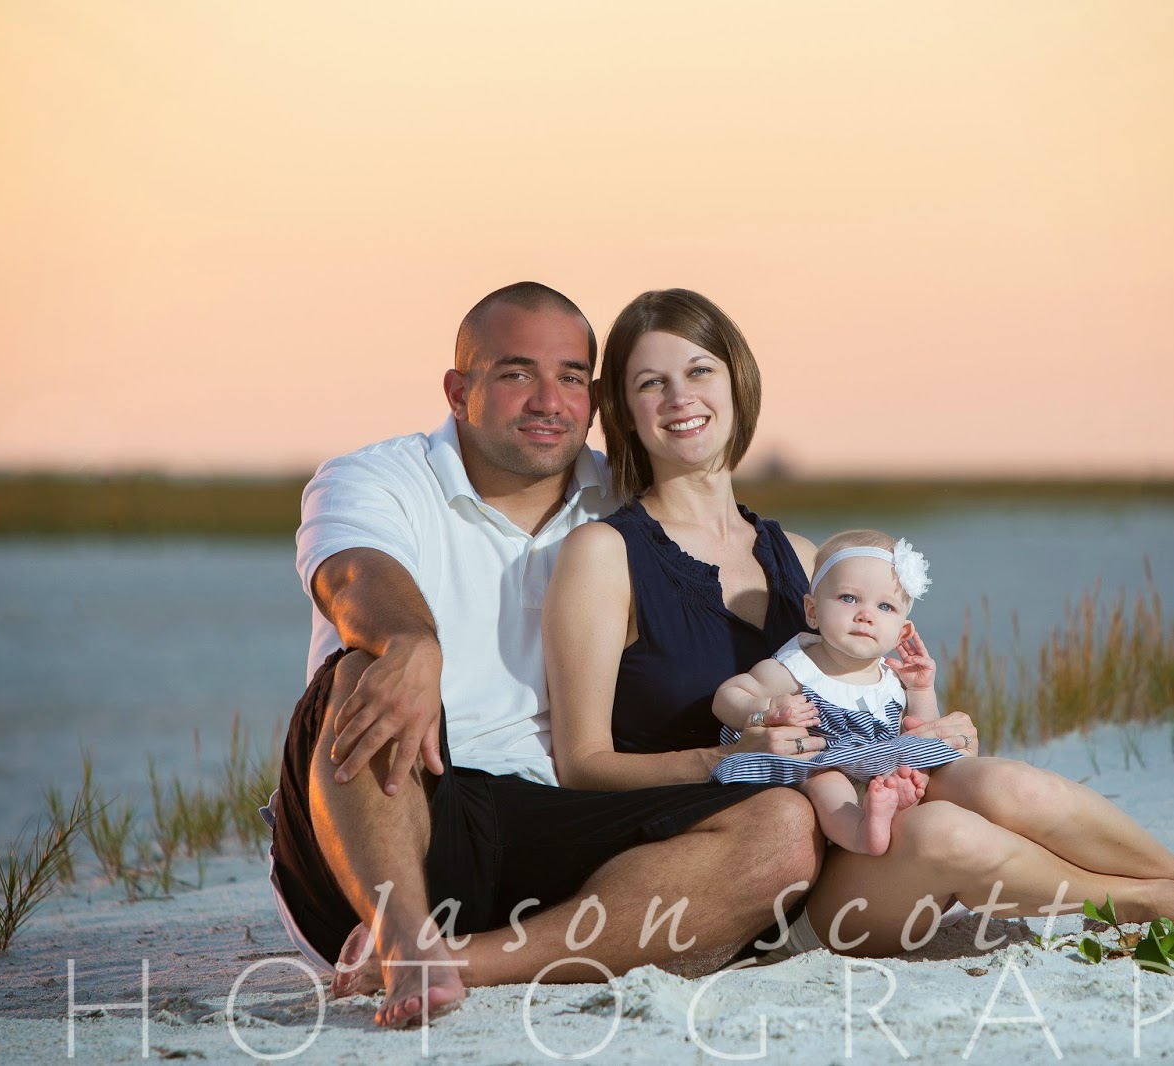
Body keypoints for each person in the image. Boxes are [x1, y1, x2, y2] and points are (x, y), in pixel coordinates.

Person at [544, 287, 1174, 960]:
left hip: (860, 830)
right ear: (623, 409)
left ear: (737, 383)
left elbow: (866, 699)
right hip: (751, 865)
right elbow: (582, 766)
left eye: (698, 370)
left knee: (999, 780)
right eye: (650, 383)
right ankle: (1155, 903)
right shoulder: (603, 553)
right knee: (951, 840)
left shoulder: (803, 555)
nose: (679, 398)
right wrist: (730, 757)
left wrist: (929, 723)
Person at [265, 281, 820, 1029]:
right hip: (396, 816)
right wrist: (411, 640)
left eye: (570, 378)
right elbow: (353, 573)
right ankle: (401, 935)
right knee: (367, 671)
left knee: (783, 828)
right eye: (516, 373)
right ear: (460, 390)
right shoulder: (378, 478)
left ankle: (462, 960)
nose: (548, 400)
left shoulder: (622, 501)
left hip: (560, 817)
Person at [712, 529, 963, 856]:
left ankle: (889, 804)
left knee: (917, 766)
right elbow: (727, 696)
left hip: (871, 773)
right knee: (826, 780)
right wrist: (767, 708)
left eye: (885, 606)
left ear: (902, 632)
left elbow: (923, 733)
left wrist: (921, 690)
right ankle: (863, 831)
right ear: (813, 611)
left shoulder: (892, 679)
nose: (865, 614)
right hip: (812, 775)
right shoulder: (797, 668)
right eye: (848, 598)